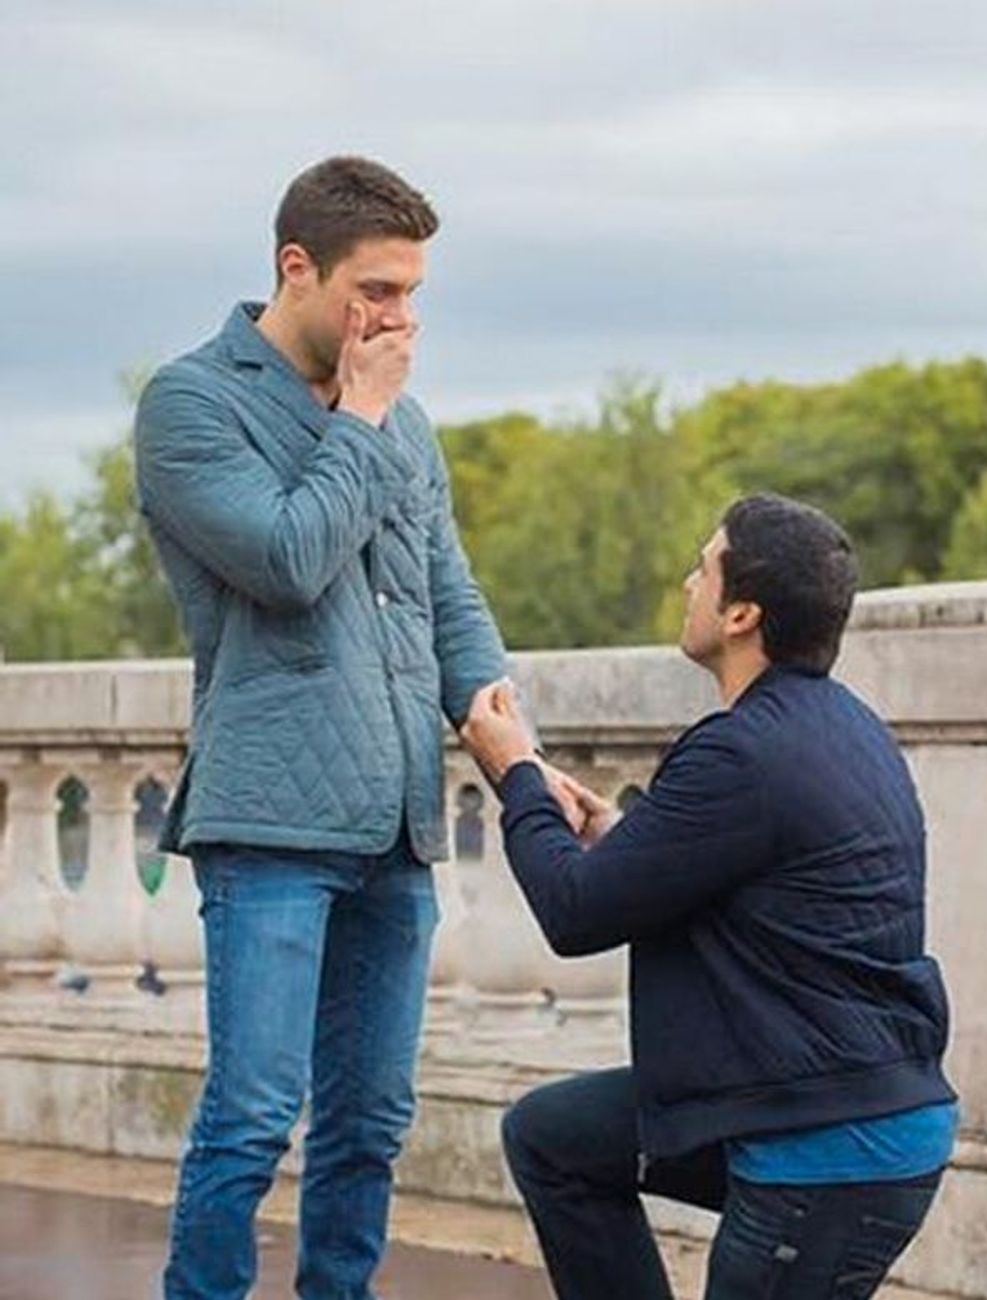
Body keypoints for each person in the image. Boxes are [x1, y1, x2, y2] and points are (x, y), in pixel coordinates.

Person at [135, 155, 586, 1299]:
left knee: (372, 1122)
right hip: (270, 817)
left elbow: (451, 602)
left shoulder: (405, 424)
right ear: (298, 268)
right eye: (376, 291)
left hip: (397, 825)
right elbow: (287, 562)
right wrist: (367, 415)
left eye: (411, 295)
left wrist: (520, 756)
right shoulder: (191, 403)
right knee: (249, 1116)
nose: (399, 320)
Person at [460, 493, 957, 1300]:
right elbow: (730, 871)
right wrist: (613, 835)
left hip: (828, 1144)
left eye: (705, 567)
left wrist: (514, 772)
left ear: (742, 615)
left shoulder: (742, 752)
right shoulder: (845, 727)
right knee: (555, 1139)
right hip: (827, 1100)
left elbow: (575, 914)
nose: (690, 580)